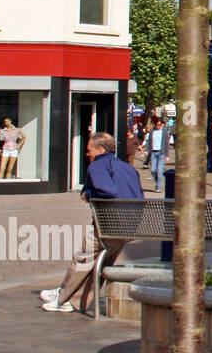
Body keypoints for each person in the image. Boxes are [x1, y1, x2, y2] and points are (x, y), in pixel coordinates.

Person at [40, 132, 144, 313]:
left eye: (89, 150)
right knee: (101, 264)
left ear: (100, 150)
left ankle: (63, 299)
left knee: (82, 259)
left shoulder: (98, 166)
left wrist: (87, 195)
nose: (87, 154)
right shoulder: (127, 167)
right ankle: (75, 299)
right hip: (130, 225)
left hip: (109, 225)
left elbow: (108, 191)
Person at [142, 117, 172, 194]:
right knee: (152, 170)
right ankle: (157, 181)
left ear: (162, 124)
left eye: (160, 124)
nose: (158, 125)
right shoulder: (152, 132)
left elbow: (166, 144)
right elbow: (149, 142)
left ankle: (158, 187)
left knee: (159, 171)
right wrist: (147, 150)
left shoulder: (165, 132)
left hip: (161, 153)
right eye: (157, 124)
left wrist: (167, 155)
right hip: (153, 153)